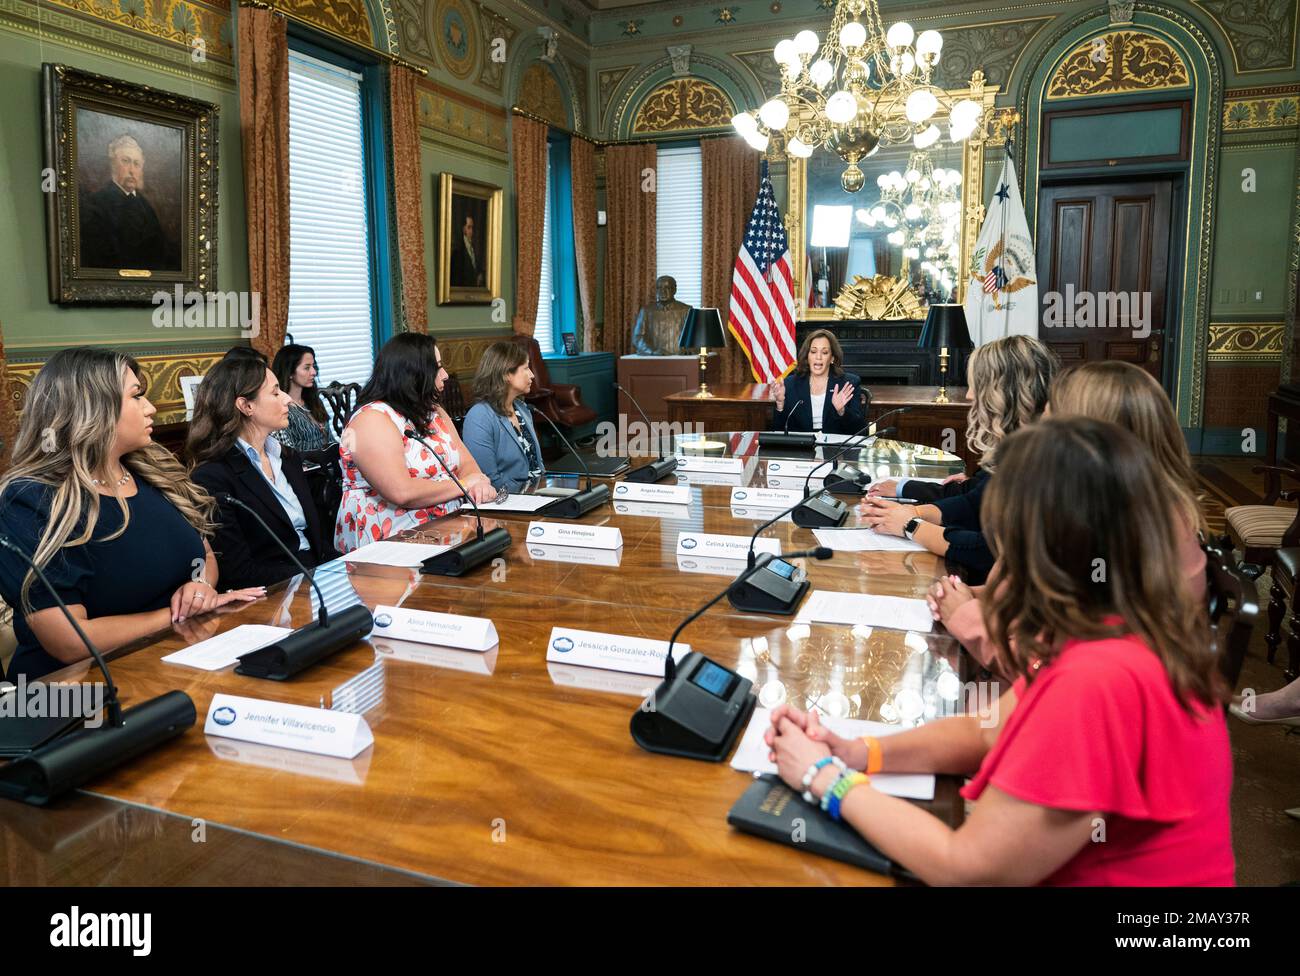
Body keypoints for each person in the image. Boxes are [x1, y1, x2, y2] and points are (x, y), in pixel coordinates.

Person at [765, 418, 1234, 885]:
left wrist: (824, 779)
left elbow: (967, 868)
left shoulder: (1098, 679)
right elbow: (988, 730)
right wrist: (856, 751)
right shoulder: (1116, 623)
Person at [0, 348, 263, 681]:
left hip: (177, 662)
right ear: (92, 409)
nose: (150, 407)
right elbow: (69, 641)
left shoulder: (156, 472)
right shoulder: (31, 500)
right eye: (136, 396)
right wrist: (179, 615)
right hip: (78, 694)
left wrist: (198, 589)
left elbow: (204, 555)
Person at [929, 360, 1208, 673]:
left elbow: (1044, 669)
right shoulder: (1129, 509)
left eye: (1049, 423)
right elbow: (1030, 601)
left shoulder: (1114, 539)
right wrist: (964, 597)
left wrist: (965, 616)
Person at [861, 335, 1057, 584]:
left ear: (1003, 393)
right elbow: (973, 502)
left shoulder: (1039, 456)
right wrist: (910, 511)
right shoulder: (1020, 444)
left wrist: (910, 526)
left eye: (976, 385)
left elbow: (989, 550)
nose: (969, 396)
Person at [335, 333, 497, 553]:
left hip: (451, 527)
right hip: (391, 539)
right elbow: (401, 492)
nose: (446, 375)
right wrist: (466, 484)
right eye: (437, 368)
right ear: (413, 374)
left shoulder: (434, 412)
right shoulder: (370, 420)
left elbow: (467, 464)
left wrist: (477, 483)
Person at [188, 357, 335, 591]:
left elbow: (317, 539)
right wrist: (320, 576)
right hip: (273, 593)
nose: (287, 398)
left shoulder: (286, 457)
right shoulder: (212, 475)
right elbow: (238, 572)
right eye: (276, 393)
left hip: (319, 577)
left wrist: (346, 566)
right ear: (246, 406)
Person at [78, 134, 178, 271]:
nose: (132, 170)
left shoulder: (146, 207)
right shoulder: (95, 204)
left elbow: (162, 251)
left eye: (137, 164)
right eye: (126, 161)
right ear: (113, 165)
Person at [462, 341, 545, 493]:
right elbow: (488, 479)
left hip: (538, 495)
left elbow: (538, 466)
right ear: (506, 374)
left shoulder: (522, 409)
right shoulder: (479, 416)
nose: (532, 375)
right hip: (508, 503)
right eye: (526, 368)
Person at [770, 329, 864, 435]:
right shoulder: (790, 384)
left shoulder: (848, 383)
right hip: (801, 448)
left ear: (832, 358)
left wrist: (842, 411)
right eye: (813, 351)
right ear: (807, 356)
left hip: (835, 448)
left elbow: (860, 431)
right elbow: (778, 431)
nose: (818, 357)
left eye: (824, 352)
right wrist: (780, 404)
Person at [271, 344, 335, 453]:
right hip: (307, 469)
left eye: (313, 366)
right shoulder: (282, 409)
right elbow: (289, 454)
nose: (314, 372)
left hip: (331, 465)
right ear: (290, 372)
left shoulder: (314, 400)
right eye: (307, 368)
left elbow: (330, 440)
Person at [631, 276, 691, 356]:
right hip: (654, 360)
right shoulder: (646, 311)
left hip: (680, 359)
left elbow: (695, 337)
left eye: (667, 288)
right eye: (659, 288)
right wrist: (652, 351)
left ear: (674, 290)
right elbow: (637, 337)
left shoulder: (686, 310)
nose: (663, 291)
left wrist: (689, 350)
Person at [450, 213, 485, 288]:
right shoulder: (458, 250)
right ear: (463, 229)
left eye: (472, 228)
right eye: (469, 227)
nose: (471, 231)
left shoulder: (473, 247)